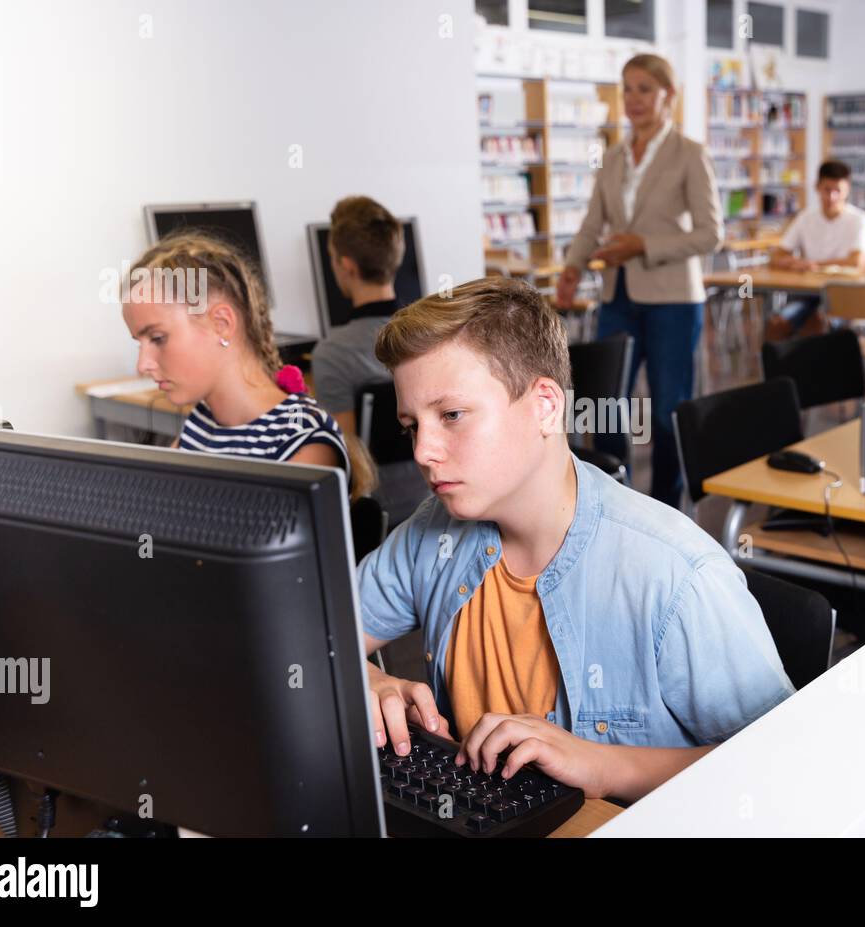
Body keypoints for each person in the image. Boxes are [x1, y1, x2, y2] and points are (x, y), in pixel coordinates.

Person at [356, 276, 793, 803]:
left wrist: (606, 768)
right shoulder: (433, 530)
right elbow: (318, 638)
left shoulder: (676, 574)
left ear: (544, 405)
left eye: (451, 415)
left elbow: (781, 762)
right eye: (412, 425)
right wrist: (367, 680)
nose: (423, 450)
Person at [556, 53, 722, 509]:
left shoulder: (690, 154)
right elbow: (593, 223)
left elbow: (711, 233)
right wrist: (572, 267)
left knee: (667, 410)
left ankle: (667, 507)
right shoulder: (612, 158)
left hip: (673, 299)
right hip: (618, 296)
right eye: (627, 89)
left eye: (645, 88)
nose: (633, 99)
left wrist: (642, 245)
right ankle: (614, 503)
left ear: (669, 95)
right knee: (605, 403)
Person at [122, 230, 375, 499]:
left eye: (158, 338)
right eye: (140, 343)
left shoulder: (303, 442)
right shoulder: (202, 423)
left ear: (221, 324)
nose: (143, 364)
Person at [313, 195, 404, 437]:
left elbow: (346, 452)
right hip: (430, 474)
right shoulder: (435, 335)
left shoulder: (332, 354)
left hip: (374, 476)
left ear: (347, 266)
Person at [764, 159, 865, 341]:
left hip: (843, 293)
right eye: (826, 190)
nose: (832, 197)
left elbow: (856, 261)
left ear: (847, 190)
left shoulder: (859, 220)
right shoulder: (806, 217)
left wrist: (812, 263)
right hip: (807, 291)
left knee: (825, 323)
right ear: (817, 187)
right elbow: (777, 255)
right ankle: (787, 368)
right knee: (777, 324)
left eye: (837, 191)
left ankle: (827, 365)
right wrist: (788, 261)